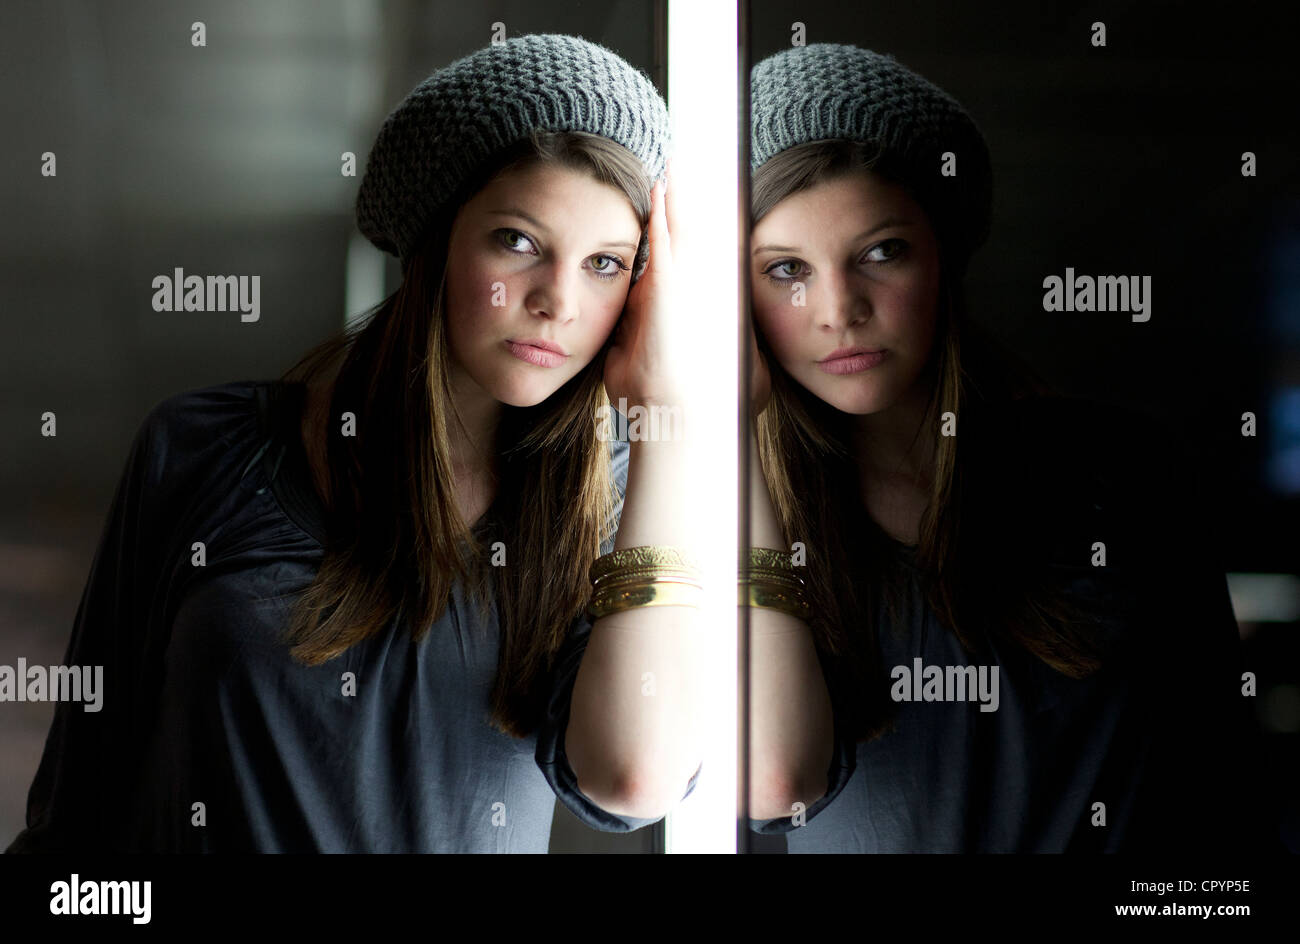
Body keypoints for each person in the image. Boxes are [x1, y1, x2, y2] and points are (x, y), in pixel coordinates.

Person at [7, 33, 700, 854]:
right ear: (437, 244)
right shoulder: (200, 448)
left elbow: (634, 779)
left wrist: (668, 420)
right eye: (518, 241)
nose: (558, 298)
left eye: (607, 264)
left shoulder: (619, 502)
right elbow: (73, 819)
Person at [743, 43, 1272, 853]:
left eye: (881, 252)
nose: (838, 308)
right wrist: (734, 429)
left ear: (944, 259)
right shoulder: (743, 512)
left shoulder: (1126, 470)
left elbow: (1226, 789)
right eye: (786, 269)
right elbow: (772, 786)